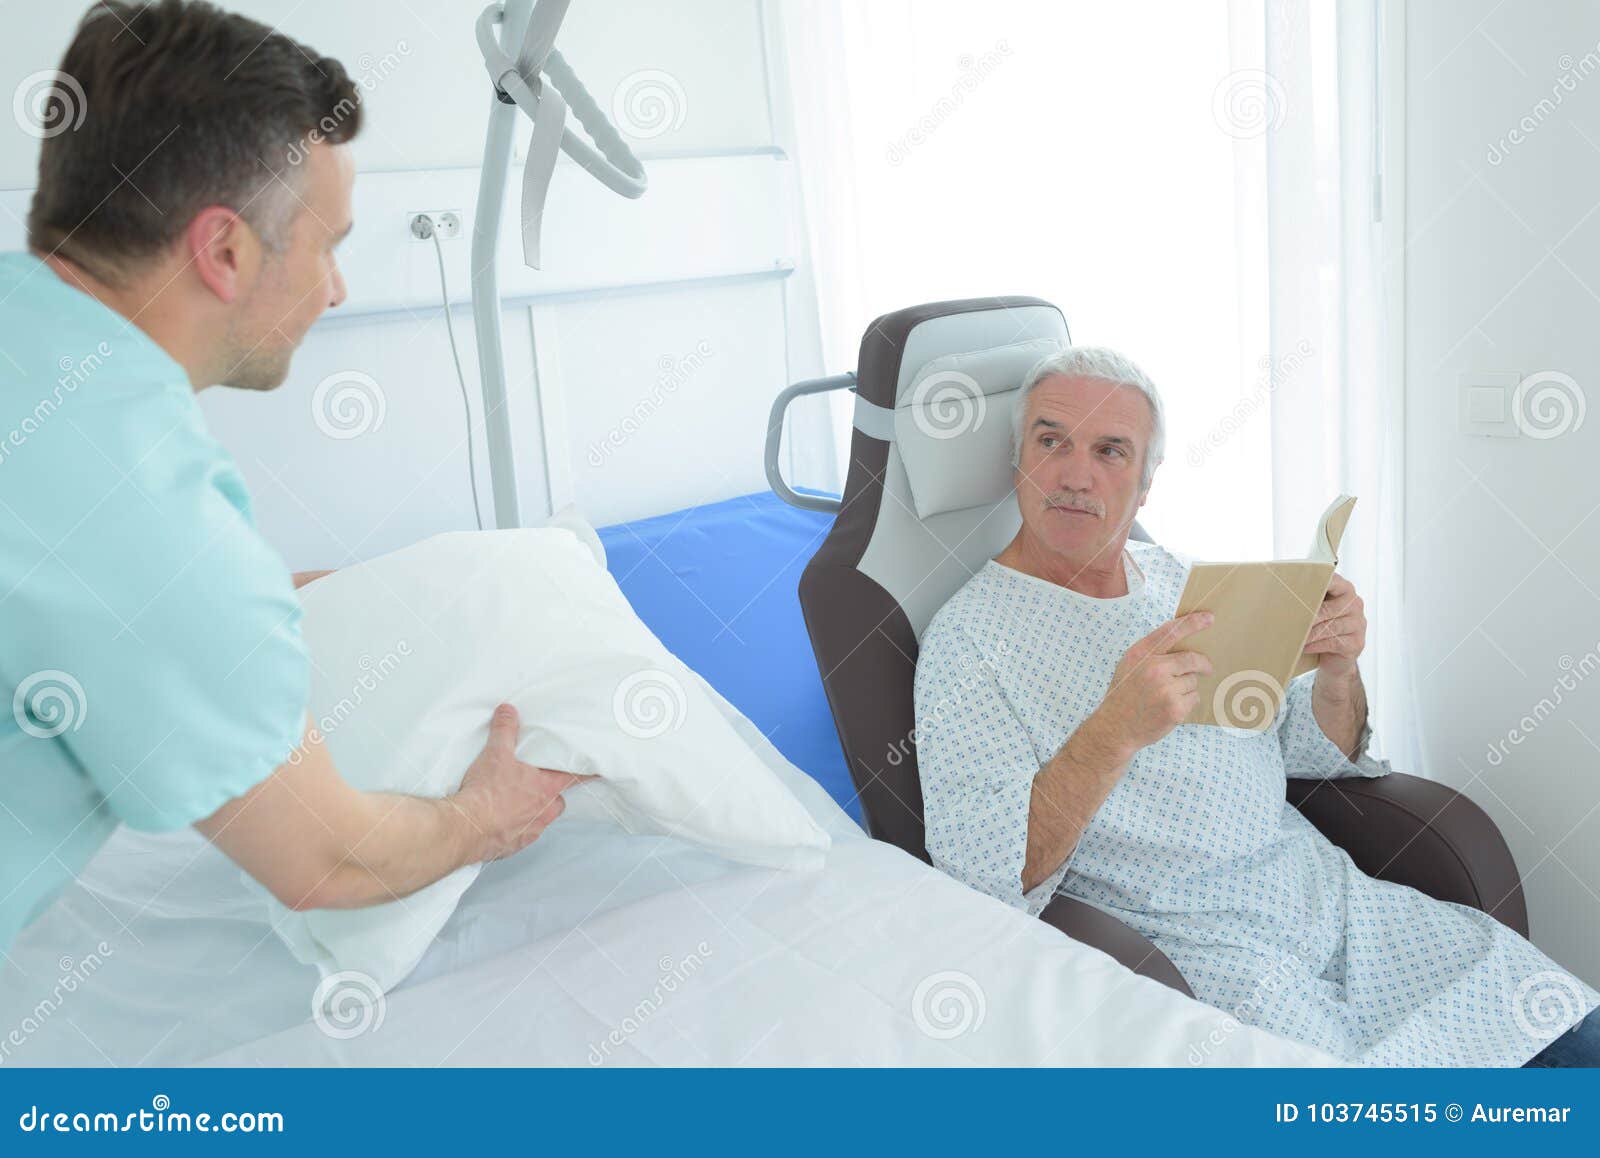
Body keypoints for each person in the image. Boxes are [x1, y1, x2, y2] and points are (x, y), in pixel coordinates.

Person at [0, 0, 586, 955]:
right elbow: (329, 858)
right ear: (225, 250)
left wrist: (340, 591)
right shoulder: (145, 513)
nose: (338, 288)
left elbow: (77, 595)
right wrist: (490, 815)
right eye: (331, 245)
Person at [913, 345, 1600, 1066]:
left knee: (1564, 1034)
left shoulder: (1186, 583)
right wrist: (1112, 734)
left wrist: (1337, 673)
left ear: (1145, 485)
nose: (1075, 474)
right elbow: (981, 880)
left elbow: (1307, 747)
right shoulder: (970, 643)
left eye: (1111, 451)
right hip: (1210, 956)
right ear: (1018, 457)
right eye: (1051, 440)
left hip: (1342, 914)